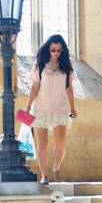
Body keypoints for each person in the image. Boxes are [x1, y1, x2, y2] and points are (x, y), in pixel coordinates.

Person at [23, 34, 77, 184]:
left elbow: (69, 89)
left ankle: (57, 167)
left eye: (59, 50)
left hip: (60, 108)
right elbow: (34, 87)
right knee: (43, 143)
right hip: (40, 107)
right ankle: (44, 175)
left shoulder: (67, 67)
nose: (56, 53)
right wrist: (27, 107)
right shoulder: (39, 66)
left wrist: (73, 108)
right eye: (53, 49)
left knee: (61, 142)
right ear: (48, 49)